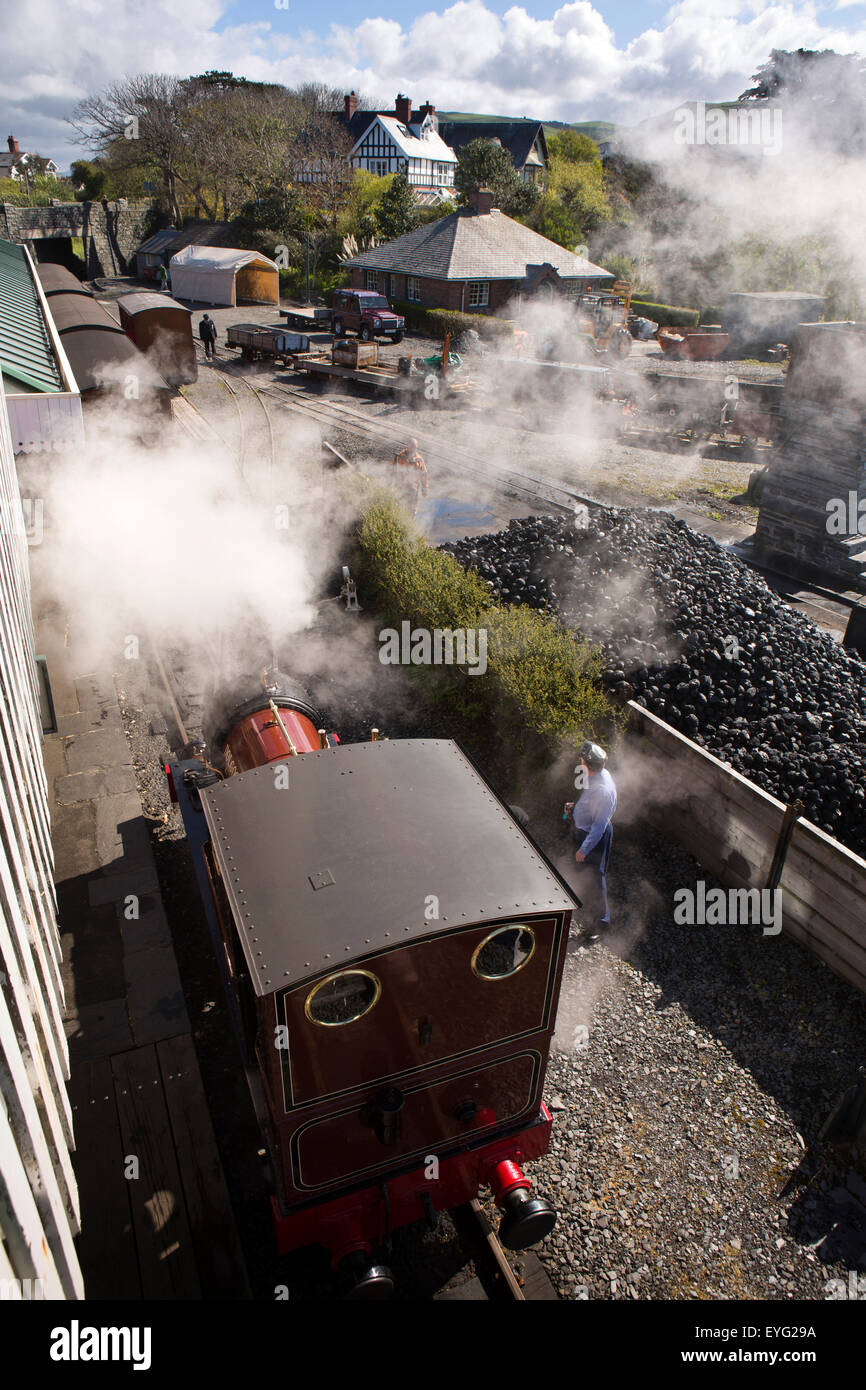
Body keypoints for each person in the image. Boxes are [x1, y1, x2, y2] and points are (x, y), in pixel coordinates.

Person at [564, 741, 616, 942]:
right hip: (582, 832)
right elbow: (586, 800)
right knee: (583, 871)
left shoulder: (603, 790)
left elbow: (598, 826)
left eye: (582, 760)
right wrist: (574, 807)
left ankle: (600, 924)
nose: (580, 761)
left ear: (589, 764)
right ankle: (587, 907)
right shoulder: (593, 776)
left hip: (593, 837)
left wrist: (584, 849)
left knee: (596, 878)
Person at [392, 438, 428, 515]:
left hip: (413, 489)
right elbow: (391, 470)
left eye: (415, 446)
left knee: (412, 510)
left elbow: (423, 474)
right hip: (400, 486)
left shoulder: (419, 460)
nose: (413, 448)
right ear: (407, 445)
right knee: (398, 506)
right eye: (412, 446)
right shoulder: (399, 457)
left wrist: (425, 488)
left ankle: (409, 523)